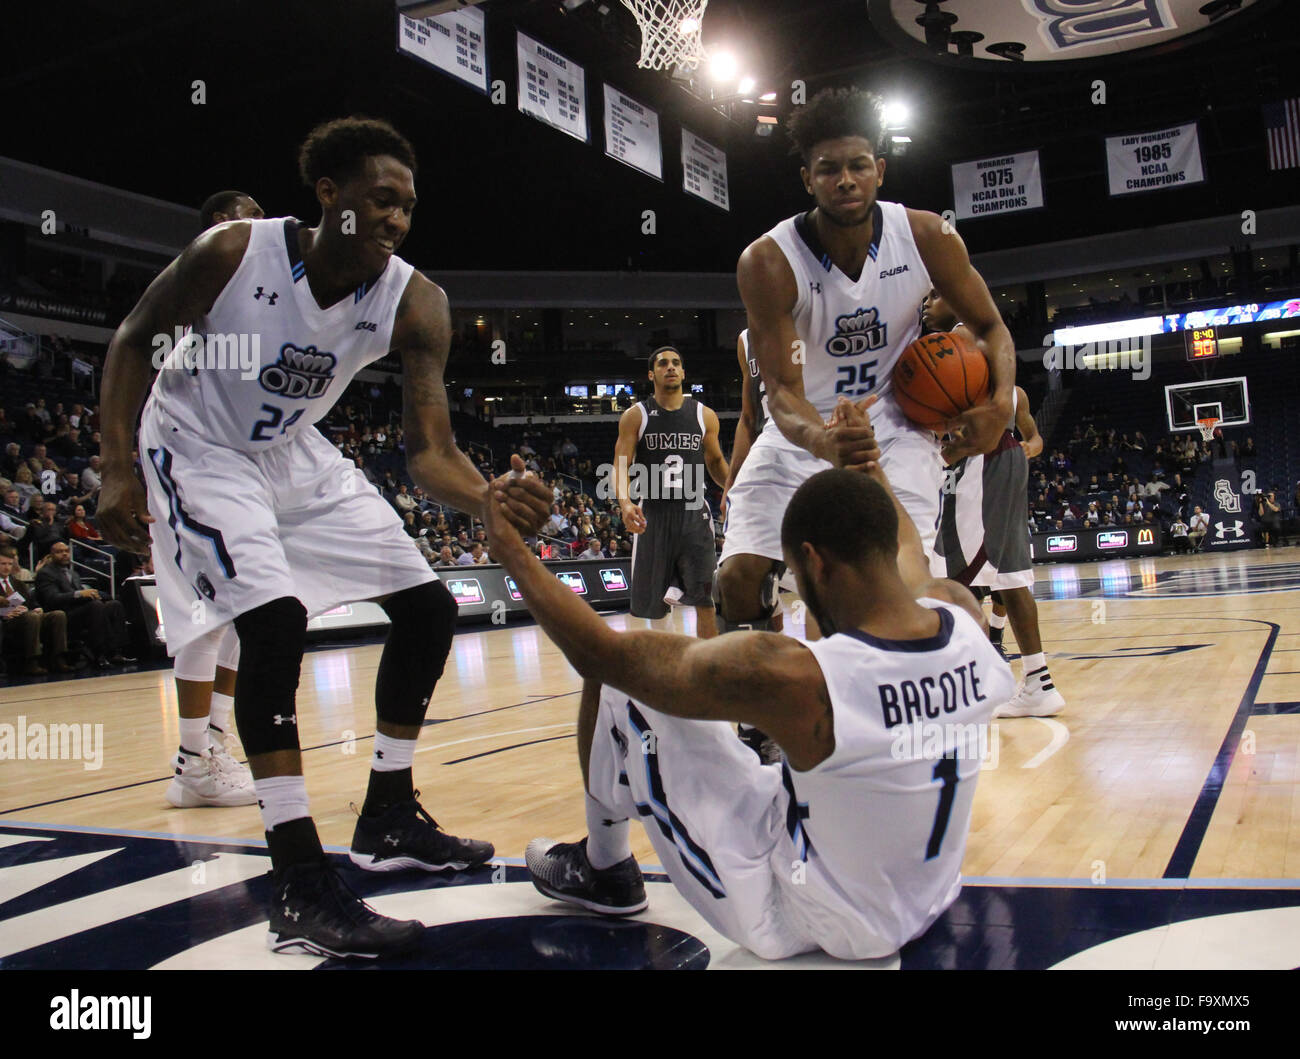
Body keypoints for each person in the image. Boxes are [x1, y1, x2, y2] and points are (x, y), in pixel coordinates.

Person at [96, 117, 552, 958]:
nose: (396, 219)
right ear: (329, 195)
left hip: (290, 453)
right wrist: (117, 464)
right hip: (196, 441)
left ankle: (385, 814)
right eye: (382, 199)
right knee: (273, 626)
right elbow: (132, 339)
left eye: (408, 207)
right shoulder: (234, 252)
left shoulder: (417, 302)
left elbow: (430, 453)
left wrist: (487, 496)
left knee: (427, 607)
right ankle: (301, 884)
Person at [487, 396, 1014, 960]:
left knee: (623, 684)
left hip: (808, 914)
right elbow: (906, 544)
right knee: (777, 773)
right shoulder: (962, 616)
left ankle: (604, 868)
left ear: (812, 562)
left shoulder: (799, 676)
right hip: (924, 899)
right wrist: (865, 458)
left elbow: (599, 653)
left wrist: (511, 551)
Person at [719, 86, 1014, 642]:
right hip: (803, 427)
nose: (845, 180)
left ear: (879, 170)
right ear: (808, 179)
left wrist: (1000, 405)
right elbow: (780, 391)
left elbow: (992, 326)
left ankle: (891, 694)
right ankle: (762, 721)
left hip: (896, 426)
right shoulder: (768, 261)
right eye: (829, 169)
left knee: (895, 581)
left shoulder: (927, 236)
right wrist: (823, 440)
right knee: (738, 582)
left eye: (858, 166)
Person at [923, 292, 1063, 717]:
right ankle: (1030, 680)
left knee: (959, 575)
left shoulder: (961, 337)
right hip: (991, 461)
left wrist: (942, 453)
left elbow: (976, 420)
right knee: (999, 575)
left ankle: (974, 681)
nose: (927, 303)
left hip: (985, 460)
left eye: (934, 295)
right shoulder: (982, 337)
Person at [615, 346, 727, 639]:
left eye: (676, 363)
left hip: (694, 513)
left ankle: (709, 666)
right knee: (656, 606)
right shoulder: (635, 415)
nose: (671, 367)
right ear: (652, 374)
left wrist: (732, 490)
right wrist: (625, 504)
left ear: (684, 372)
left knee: (706, 598)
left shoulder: (704, 415)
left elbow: (715, 462)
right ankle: (669, 668)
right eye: (663, 363)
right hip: (653, 512)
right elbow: (621, 465)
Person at [34, 541, 131, 667]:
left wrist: (95, 594)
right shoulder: (45, 573)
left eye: (66, 551)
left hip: (80, 611)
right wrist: (80, 594)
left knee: (113, 605)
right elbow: (52, 598)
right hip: (62, 614)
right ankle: (98, 653)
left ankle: (116, 652)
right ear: (51, 555)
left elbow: (83, 595)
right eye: (59, 552)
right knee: (95, 606)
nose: (64, 554)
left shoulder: (73, 573)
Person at [1, 545, 74, 675]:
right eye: (3, 564)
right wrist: (4, 613)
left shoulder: (18, 583)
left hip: (25, 616)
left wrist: (37, 608)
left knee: (58, 615)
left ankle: (58, 658)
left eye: (9, 564)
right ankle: (32, 661)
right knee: (31, 617)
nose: (7, 567)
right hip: (6, 621)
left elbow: (31, 602)